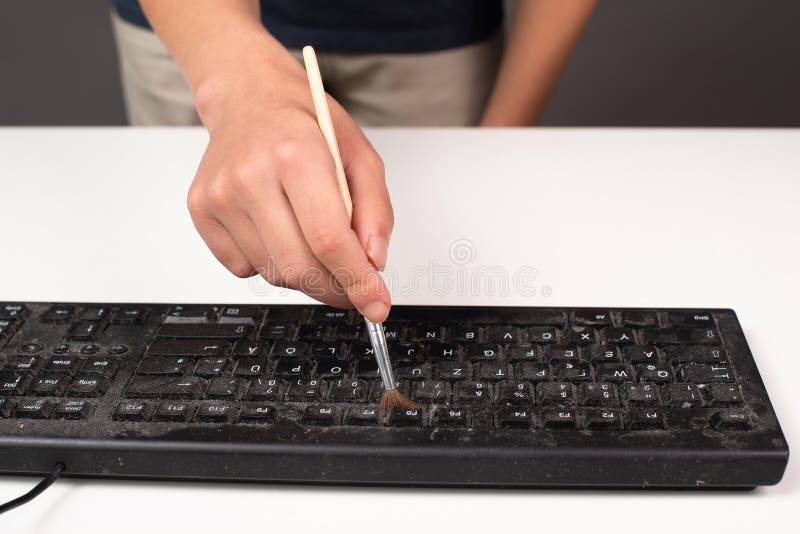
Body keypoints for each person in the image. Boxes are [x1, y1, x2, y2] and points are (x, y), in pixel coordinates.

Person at [109, 0, 596, 323]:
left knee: (440, 274)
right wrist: (230, 76)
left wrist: (501, 138)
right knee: (192, 283)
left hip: (435, 33)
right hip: (192, 21)